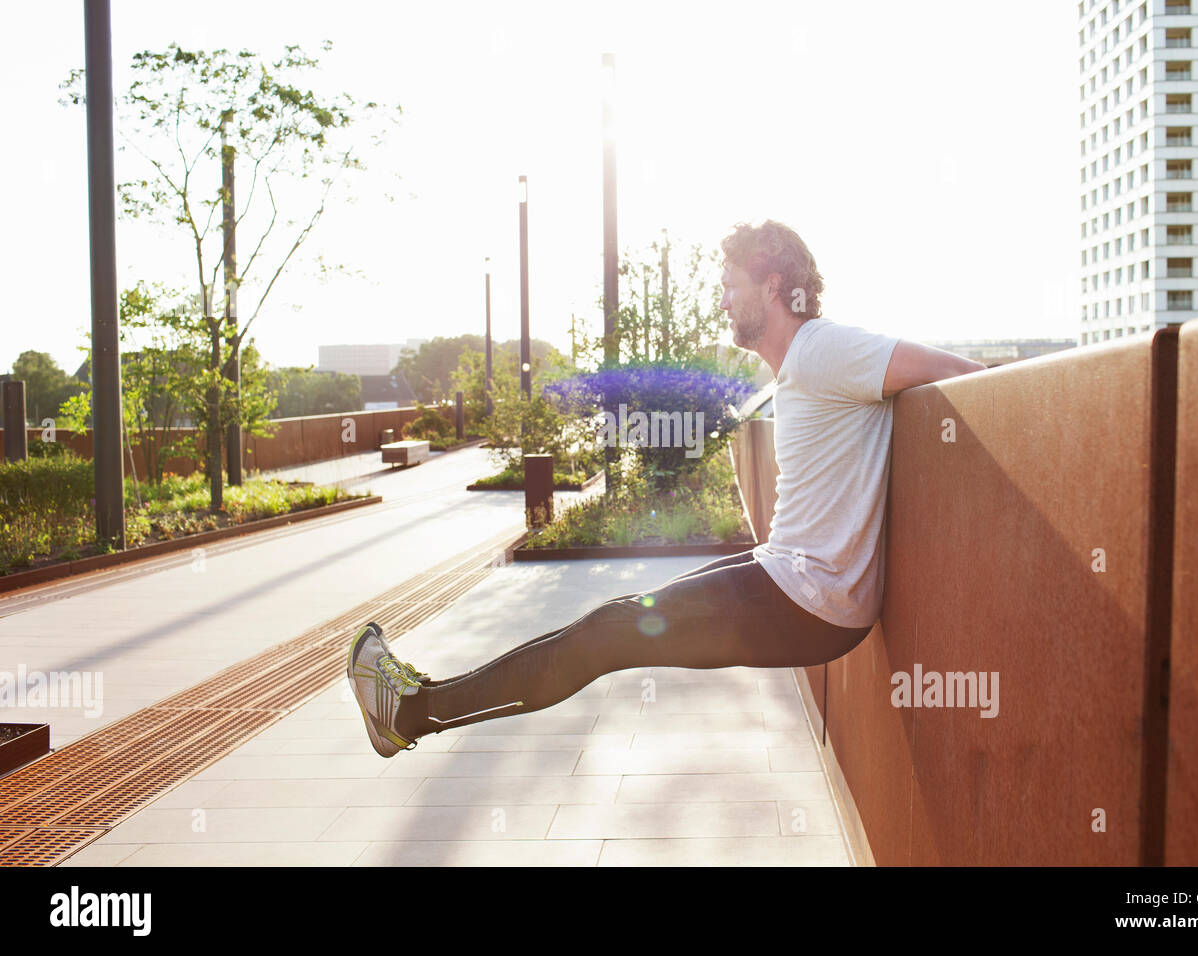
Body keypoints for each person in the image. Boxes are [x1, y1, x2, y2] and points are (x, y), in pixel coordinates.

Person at [347, 219, 985, 757]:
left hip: (812, 599)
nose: (723, 301)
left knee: (607, 633)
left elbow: (964, 375)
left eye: (732, 285)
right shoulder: (803, 364)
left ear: (773, 285)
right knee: (609, 628)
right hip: (798, 583)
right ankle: (417, 704)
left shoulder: (822, 348)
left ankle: (411, 712)